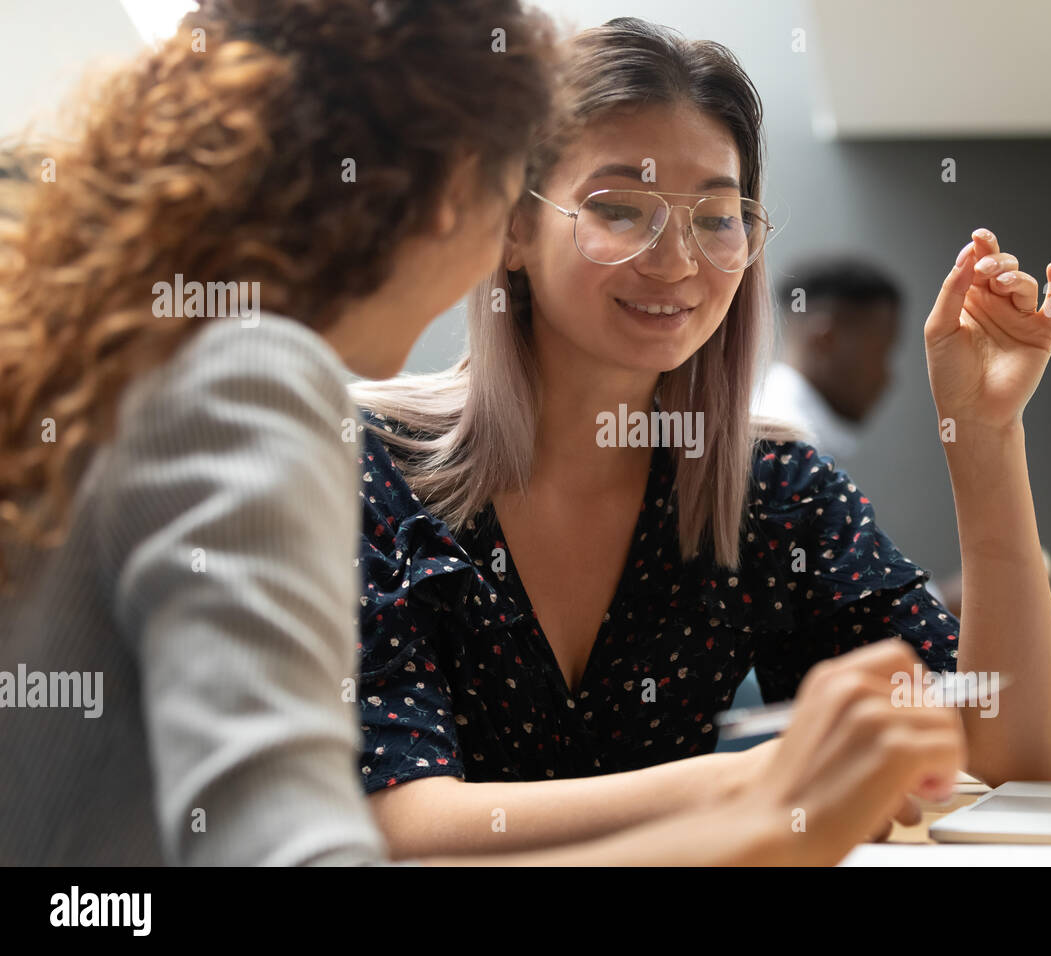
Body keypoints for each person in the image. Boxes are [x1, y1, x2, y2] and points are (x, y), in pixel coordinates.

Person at [0, 0, 962, 867]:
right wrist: (755, 815)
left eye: (715, 217)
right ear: (457, 193)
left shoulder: (130, 363)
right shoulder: (248, 382)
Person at [350, 17, 1051, 860]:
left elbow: (1009, 750)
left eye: (717, 217)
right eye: (620, 209)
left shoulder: (773, 486)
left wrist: (984, 435)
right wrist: (755, 781)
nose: (676, 260)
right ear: (512, 228)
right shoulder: (369, 467)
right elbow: (394, 822)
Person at [755, 258, 902, 462]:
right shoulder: (786, 444)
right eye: (881, 353)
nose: (887, 377)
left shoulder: (771, 420)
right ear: (825, 341)